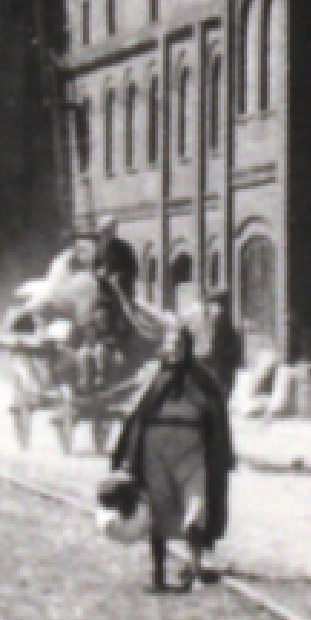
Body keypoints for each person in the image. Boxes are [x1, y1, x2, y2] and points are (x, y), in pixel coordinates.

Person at [113, 326, 235, 592]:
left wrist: (223, 452)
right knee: (159, 511)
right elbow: (136, 415)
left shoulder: (203, 379)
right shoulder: (153, 377)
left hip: (191, 452)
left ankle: (194, 566)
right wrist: (127, 456)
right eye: (170, 343)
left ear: (187, 346)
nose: (174, 348)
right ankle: (158, 575)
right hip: (155, 452)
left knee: (196, 509)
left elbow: (217, 418)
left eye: (179, 343)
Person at [98, 218, 141, 302]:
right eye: (105, 231)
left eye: (110, 230)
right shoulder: (99, 249)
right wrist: (99, 273)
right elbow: (94, 268)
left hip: (122, 293)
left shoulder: (124, 247)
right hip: (105, 293)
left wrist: (120, 276)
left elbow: (134, 269)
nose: (108, 234)